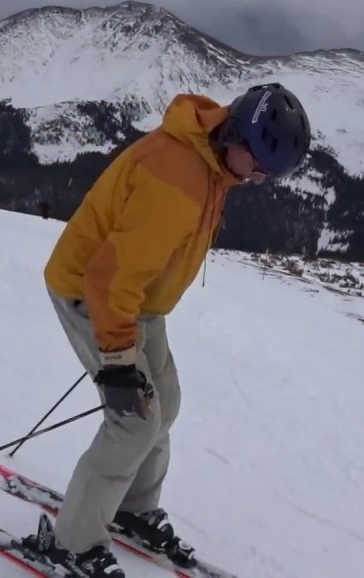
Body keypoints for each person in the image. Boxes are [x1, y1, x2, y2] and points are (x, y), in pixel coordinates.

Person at [27, 84, 312, 577]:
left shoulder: (212, 159)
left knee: (166, 403)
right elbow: (109, 279)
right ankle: (72, 544)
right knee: (134, 421)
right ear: (235, 137)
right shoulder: (176, 180)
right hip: (93, 293)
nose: (259, 178)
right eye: (260, 166)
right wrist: (118, 363)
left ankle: (131, 508)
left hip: (137, 302)